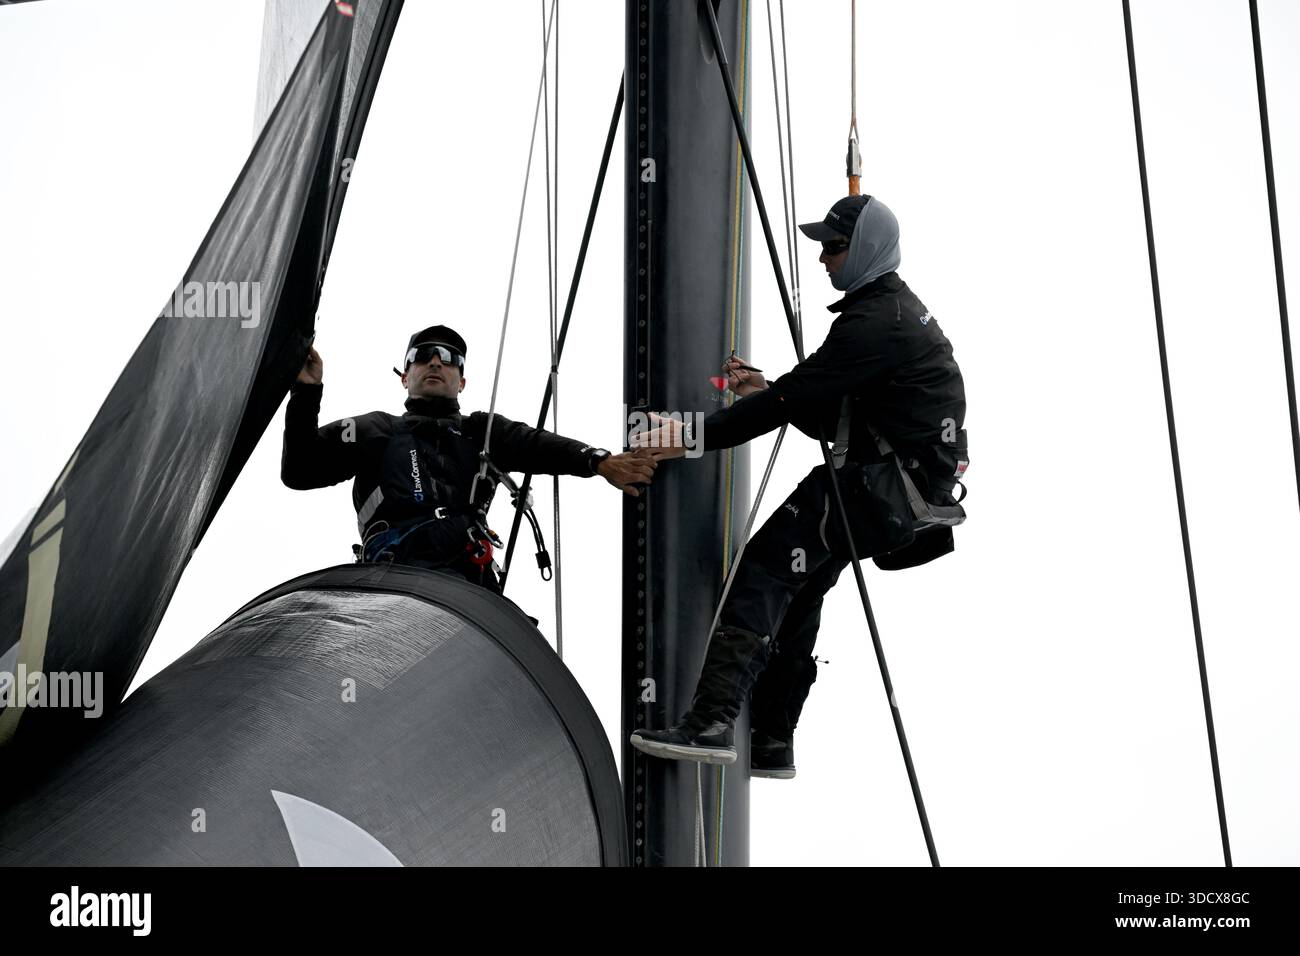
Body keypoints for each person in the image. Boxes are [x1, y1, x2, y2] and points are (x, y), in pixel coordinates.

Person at [629, 195, 969, 776]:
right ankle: (772, 739)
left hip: (880, 488)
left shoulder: (874, 323)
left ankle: (711, 723)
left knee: (762, 568)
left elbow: (789, 404)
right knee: (802, 587)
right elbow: (816, 411)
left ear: (864, 251)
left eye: (833, 247)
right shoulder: (887, 312)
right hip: (897, 494)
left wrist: (684, 433)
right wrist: (767, 390)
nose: (822, 259)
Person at [282, 324, 656, 591]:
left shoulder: (482, 432)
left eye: (448, 358)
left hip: (470, 590)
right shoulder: (375, 430)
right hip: (395, 583)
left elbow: (535, 444)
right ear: (404, 376)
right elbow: (299, 470)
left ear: (461, 381)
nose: (435, 362)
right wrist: (306, 392)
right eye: (421, 356)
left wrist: (599, 461)